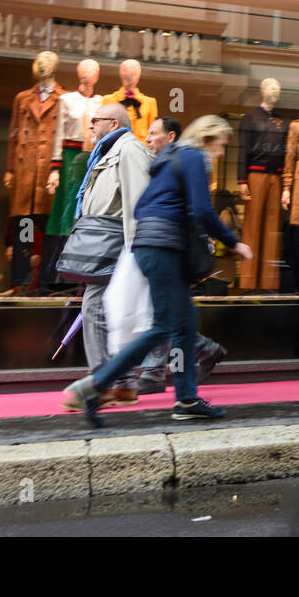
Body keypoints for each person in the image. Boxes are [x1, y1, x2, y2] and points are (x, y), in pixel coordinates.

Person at [63, 115, 252, 424]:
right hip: (164, 247)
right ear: (208, 139)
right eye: (220, 145)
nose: (220, 152)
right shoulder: (194, 156)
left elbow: (142, 206)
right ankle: (95, 385)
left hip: (150, 245)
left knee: (185, 322)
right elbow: (203, 210)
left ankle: (186, 399)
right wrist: (235, 243)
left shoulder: (167, 158)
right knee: (163, 326)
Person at [60, 103, 151, 411]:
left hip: (117, 245)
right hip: (105, 243)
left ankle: (102, 385)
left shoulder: (129, 151)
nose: (90, 126)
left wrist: (135, 251)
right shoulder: (111, 151)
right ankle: (124, 385)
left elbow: (138, 202)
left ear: (112, 123)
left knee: (95, 307)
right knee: (109, 311)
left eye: (94, 121)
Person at [133, 116, 228, 395]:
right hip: (164, 242)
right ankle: (194, 371)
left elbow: (198, 209)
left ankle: (151, 375)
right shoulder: (171, 158)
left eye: (154, 133)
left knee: (163, 315)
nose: (148, 138)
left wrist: (228, 241)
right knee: (170, 314)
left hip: (174, 246)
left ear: (171, 136)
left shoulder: (191, 158)